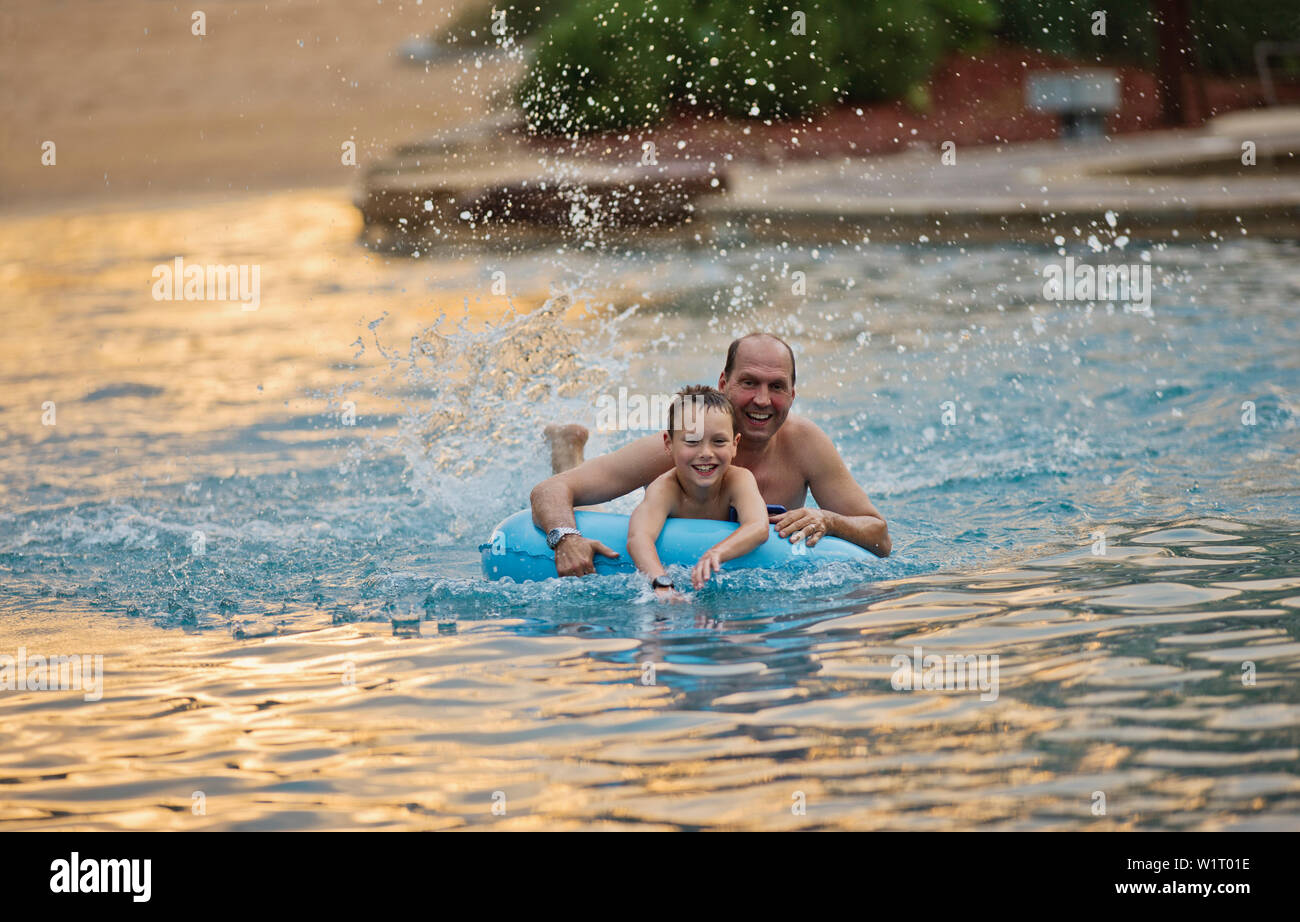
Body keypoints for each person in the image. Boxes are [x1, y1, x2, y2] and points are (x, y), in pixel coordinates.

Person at [533, 332, 892, 577]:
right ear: (724, 384)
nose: (763, 400)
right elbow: (551, 490)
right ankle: (566, 448)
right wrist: (565, 537)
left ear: (793, 394)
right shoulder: (684, 447)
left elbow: (879, 536)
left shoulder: (805, 444)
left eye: (777, 387)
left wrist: (829, 520)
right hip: (662, 535)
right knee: (588, 514)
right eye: (749, 382)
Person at [627, 386, 769, 599]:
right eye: (692, 441)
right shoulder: (666, 488)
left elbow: (758, 526)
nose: (706, 453)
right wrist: (661, 582)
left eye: (719, 441)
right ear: (669, 444)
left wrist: (717, 552)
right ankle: (570, 456)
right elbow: (639, 537)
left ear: (734, 444)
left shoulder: (738, 479)